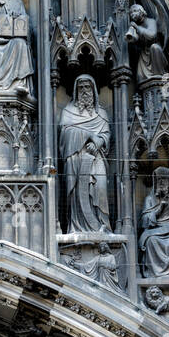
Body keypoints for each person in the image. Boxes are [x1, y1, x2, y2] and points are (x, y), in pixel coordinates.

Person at [60, 75, 111, 233]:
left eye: (87, 87)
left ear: (93, 90)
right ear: (76, 90)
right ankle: (77, 226)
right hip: (76, 158)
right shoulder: (68, 111)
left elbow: (106, 135)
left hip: (97, 157)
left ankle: (102, 224)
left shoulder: (101, 113)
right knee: (77, 193)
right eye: (80, 87)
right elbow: (65, 134)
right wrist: (89, 135)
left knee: (100, 187)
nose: (84, 91)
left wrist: (99, 142)